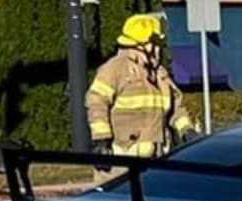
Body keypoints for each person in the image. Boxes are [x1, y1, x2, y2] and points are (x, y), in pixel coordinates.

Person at [86, 14, 200, 157]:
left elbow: (176, 107)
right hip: (123, 156)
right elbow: (96, 102)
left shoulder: (160, 74)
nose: (159, 49)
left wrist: (187, 131)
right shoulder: (115, 69)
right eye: (156, 44)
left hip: (158, 154)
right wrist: (101, 140)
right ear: (144, 45)